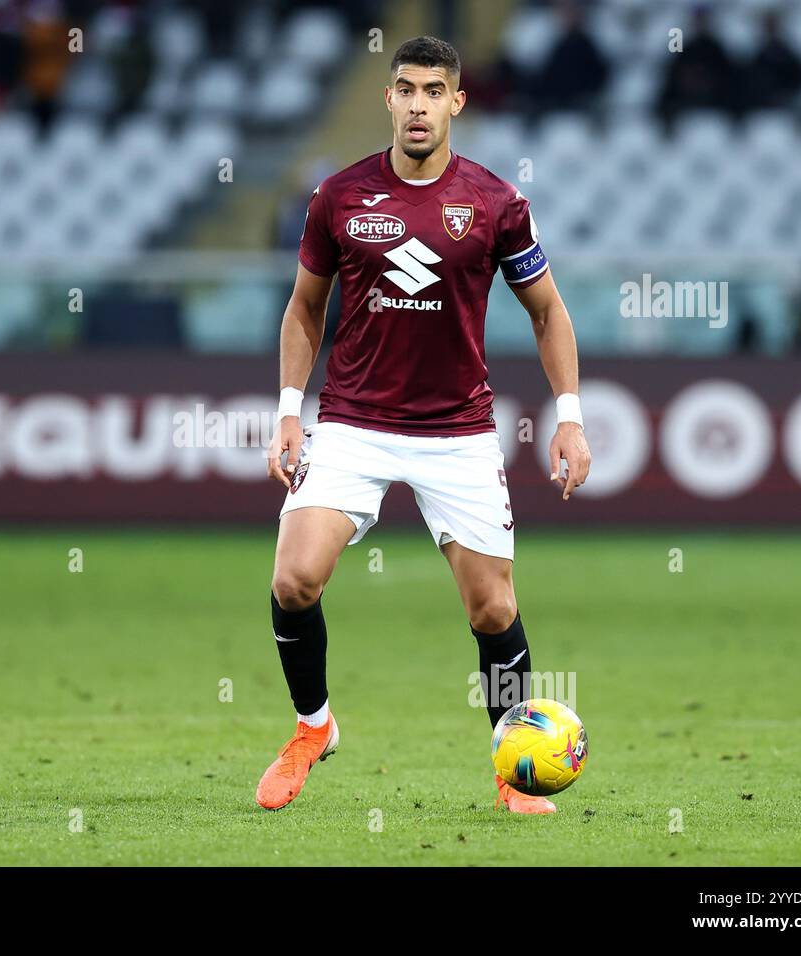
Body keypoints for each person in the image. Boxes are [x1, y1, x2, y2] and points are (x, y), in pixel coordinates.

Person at [256, 36, 591, 814]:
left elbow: (548, 312)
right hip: (354, 421)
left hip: (459, 431)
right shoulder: (337, 196)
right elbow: (305, 309)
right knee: (292, 578)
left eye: (433, 91)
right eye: (405, 89)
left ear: (456, 104)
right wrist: (288, 411)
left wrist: (569, 417)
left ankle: (514, 767)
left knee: (494, 611)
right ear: (388, 99)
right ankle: (314, 727)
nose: (417, 104)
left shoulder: (496, 203)